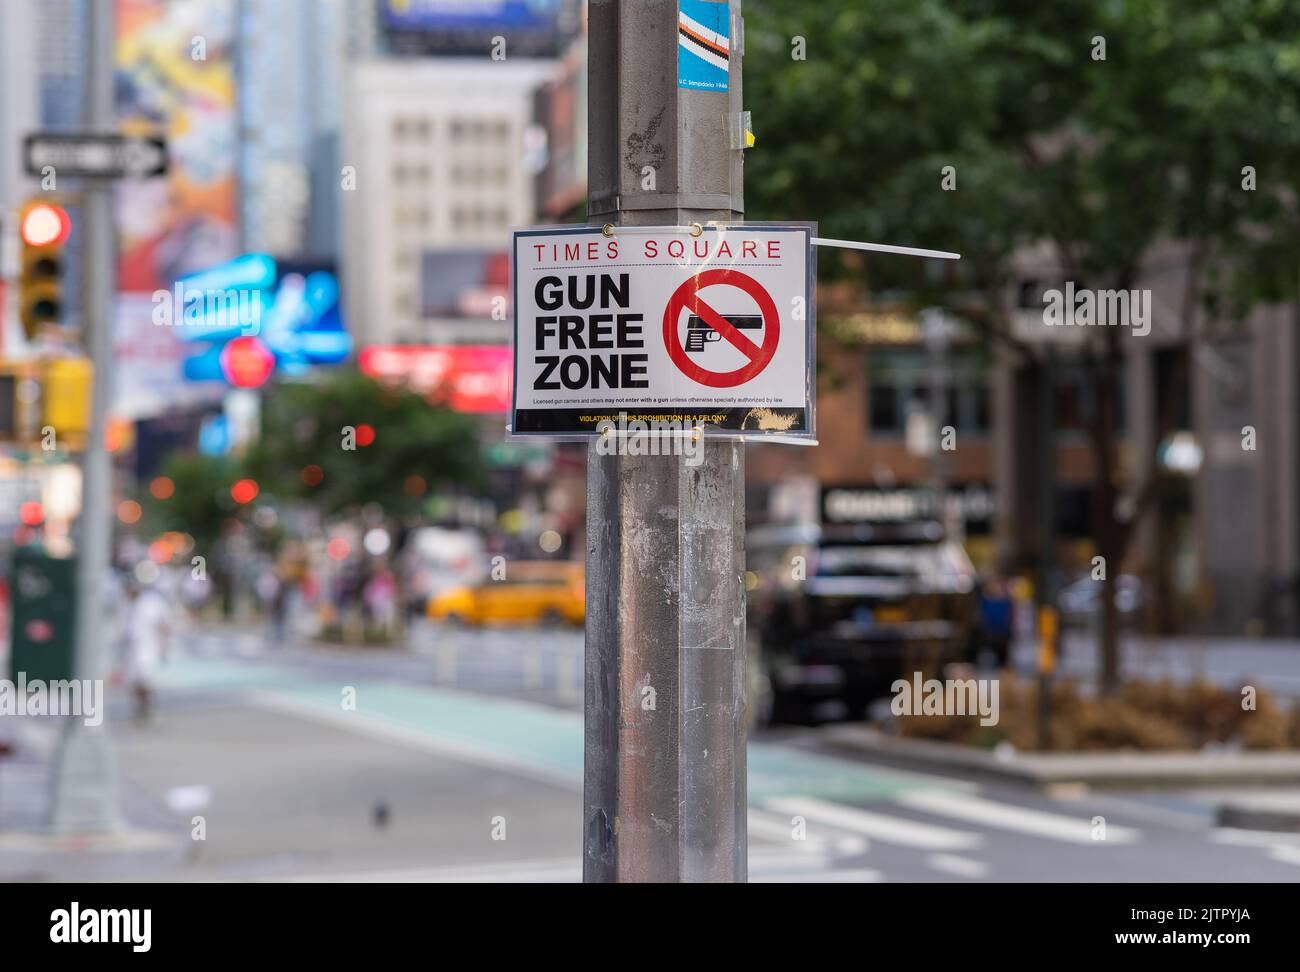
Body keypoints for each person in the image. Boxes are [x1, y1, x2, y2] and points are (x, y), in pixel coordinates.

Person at [122, 578, 173, 724]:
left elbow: (164, 625)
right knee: (133, 681)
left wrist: (165, 646)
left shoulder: (152, 603)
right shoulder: (127, 604)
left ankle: (148, 707)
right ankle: (140, 708)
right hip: (132, 649)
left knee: (145, 679)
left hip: (148, 648)